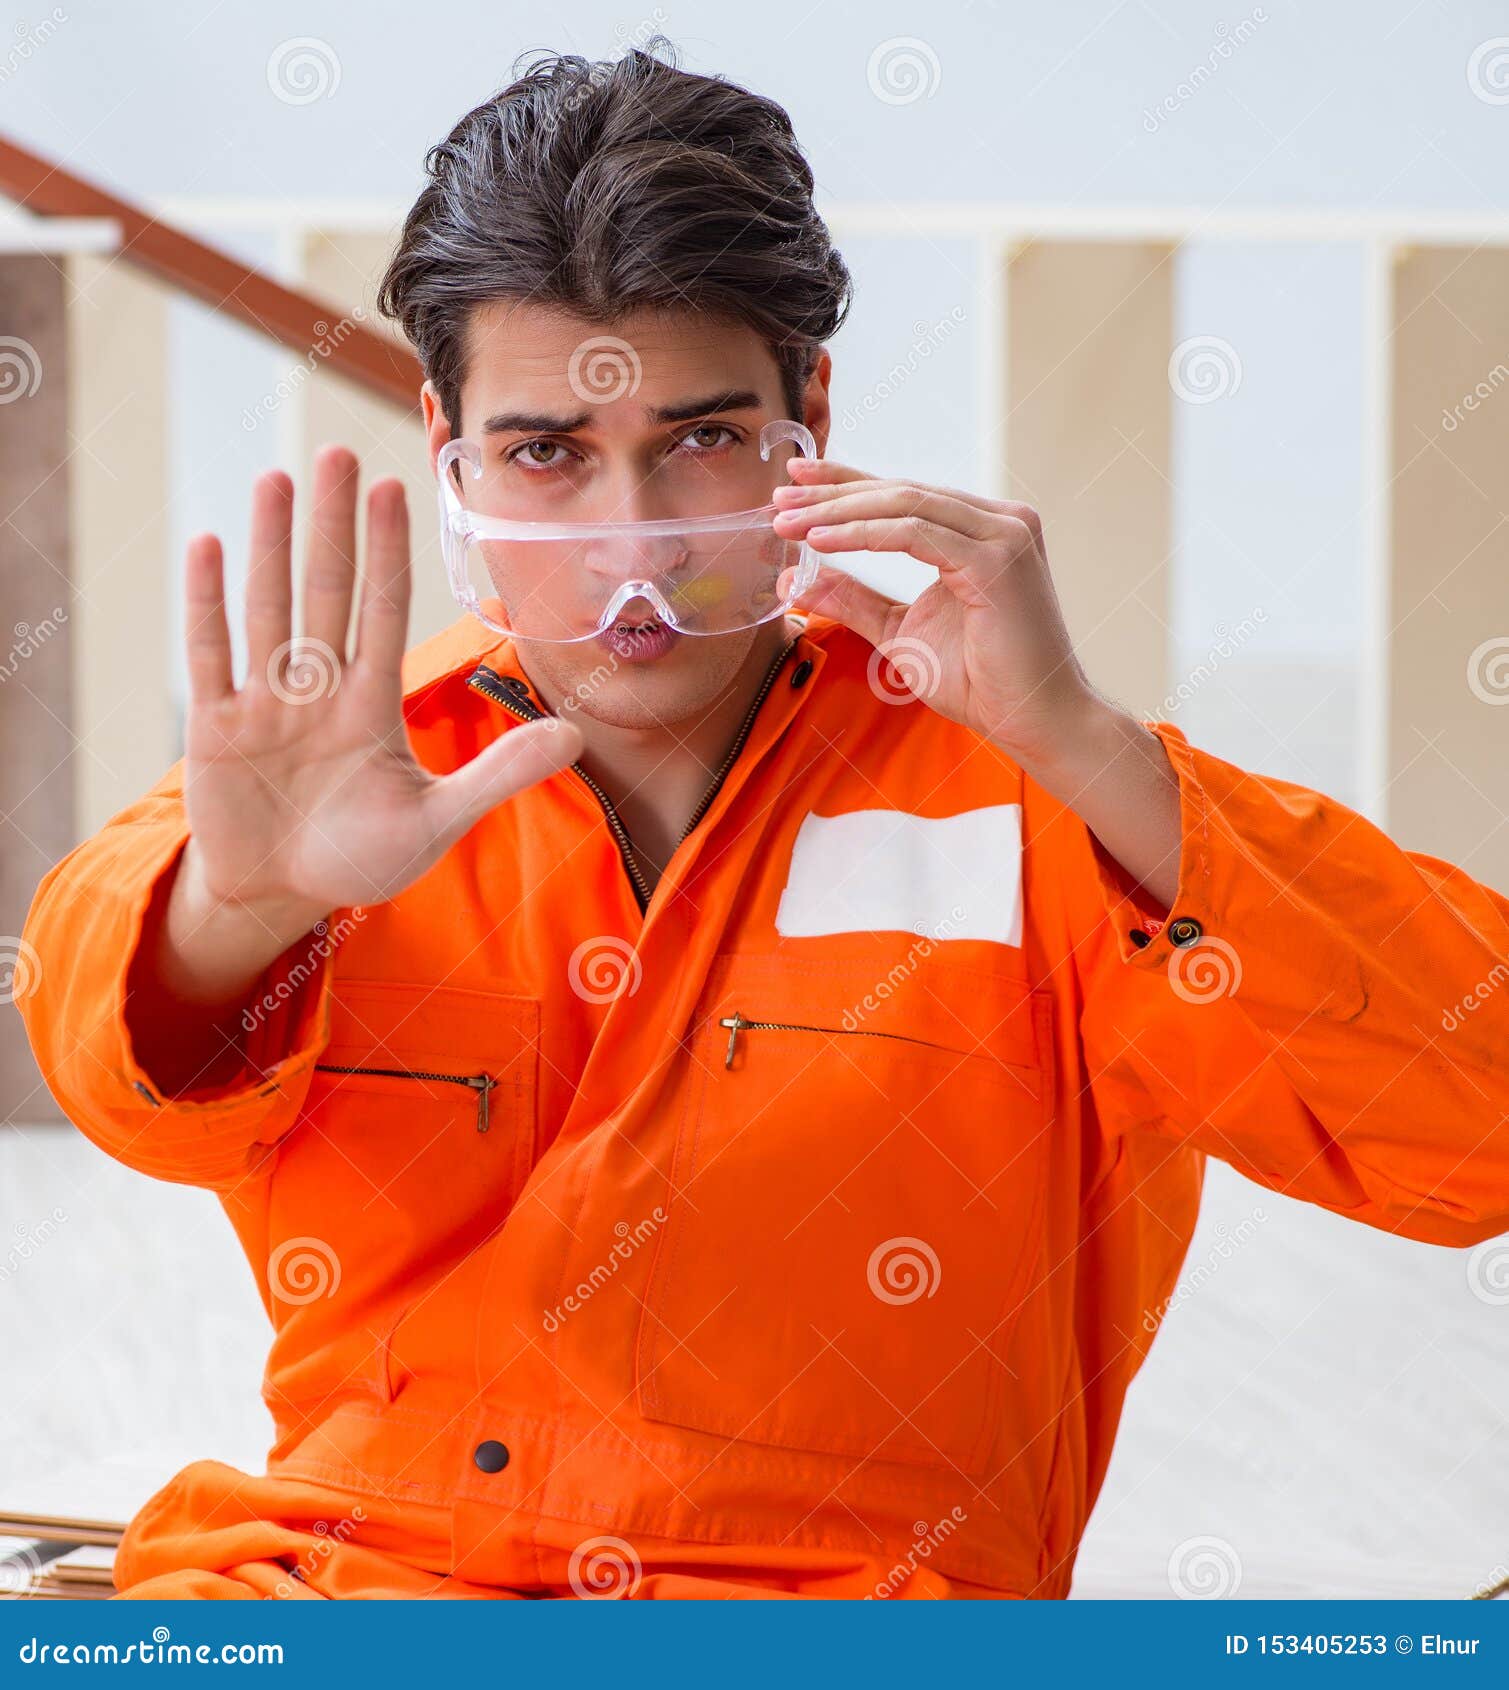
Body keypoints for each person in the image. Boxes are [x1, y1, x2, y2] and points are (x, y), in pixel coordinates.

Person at [19, 43, 1509, 1602]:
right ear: (446, 447)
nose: (635, 546)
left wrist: (1087, 747)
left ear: (809, 410)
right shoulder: (348, 786)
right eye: (548, 456)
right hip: (340, 1601)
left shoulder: (1034, 803)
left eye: (701, 440)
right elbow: (111, 1065)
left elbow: (1470, 1127)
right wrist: (242, 915)